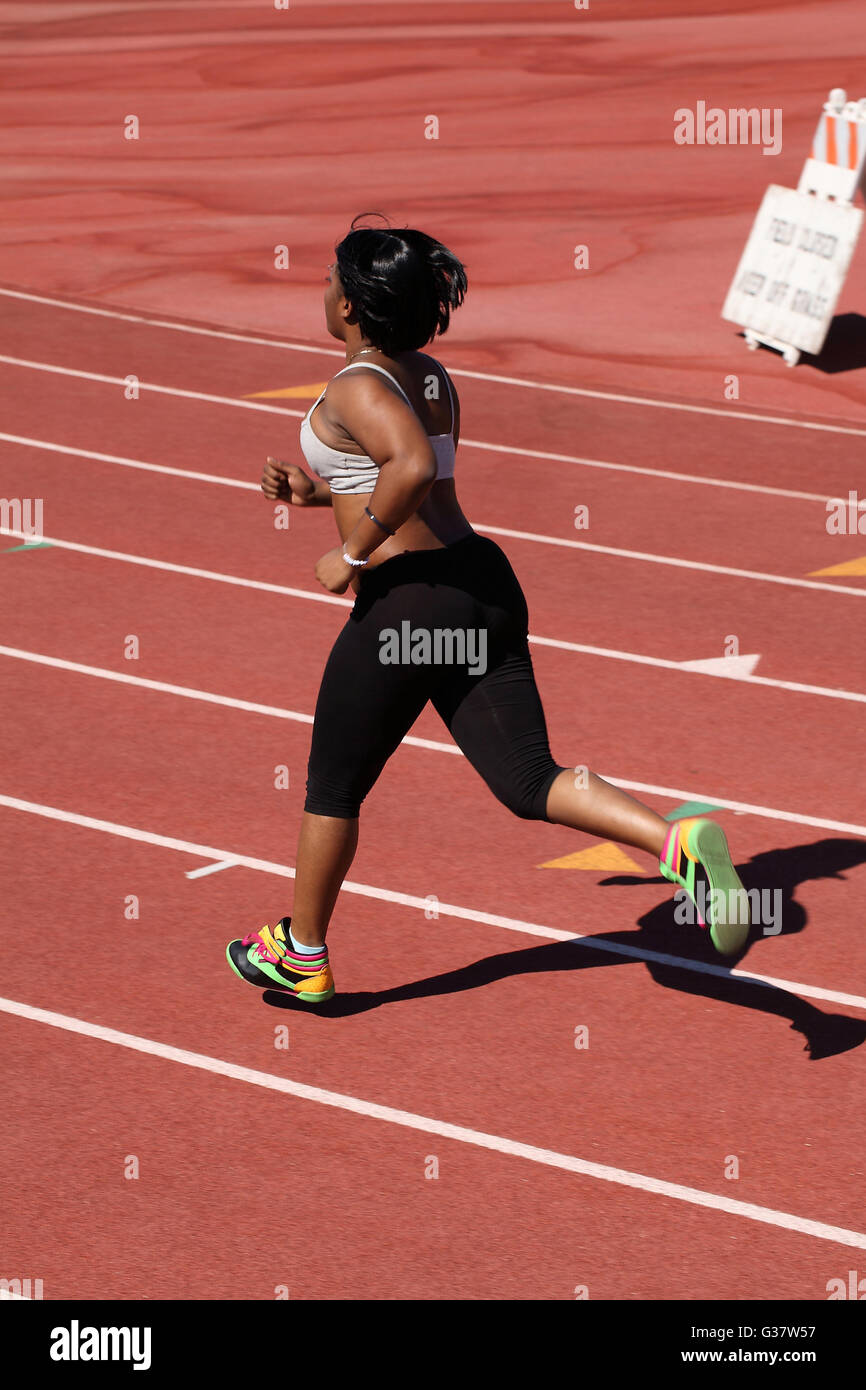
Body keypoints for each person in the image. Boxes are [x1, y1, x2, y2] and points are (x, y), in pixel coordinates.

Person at [226, 217, 750, 1003]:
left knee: (333, 785)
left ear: (354, 306)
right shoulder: (428, 374)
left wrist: (352, 552)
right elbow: (411, 476)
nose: (323, 287)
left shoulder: (355, 385)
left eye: (332, 277)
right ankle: (673, 842)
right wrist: (313, 491)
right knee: (529, 779)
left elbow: (400, 466)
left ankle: (302, 952)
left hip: (411, 605)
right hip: (481, 584)